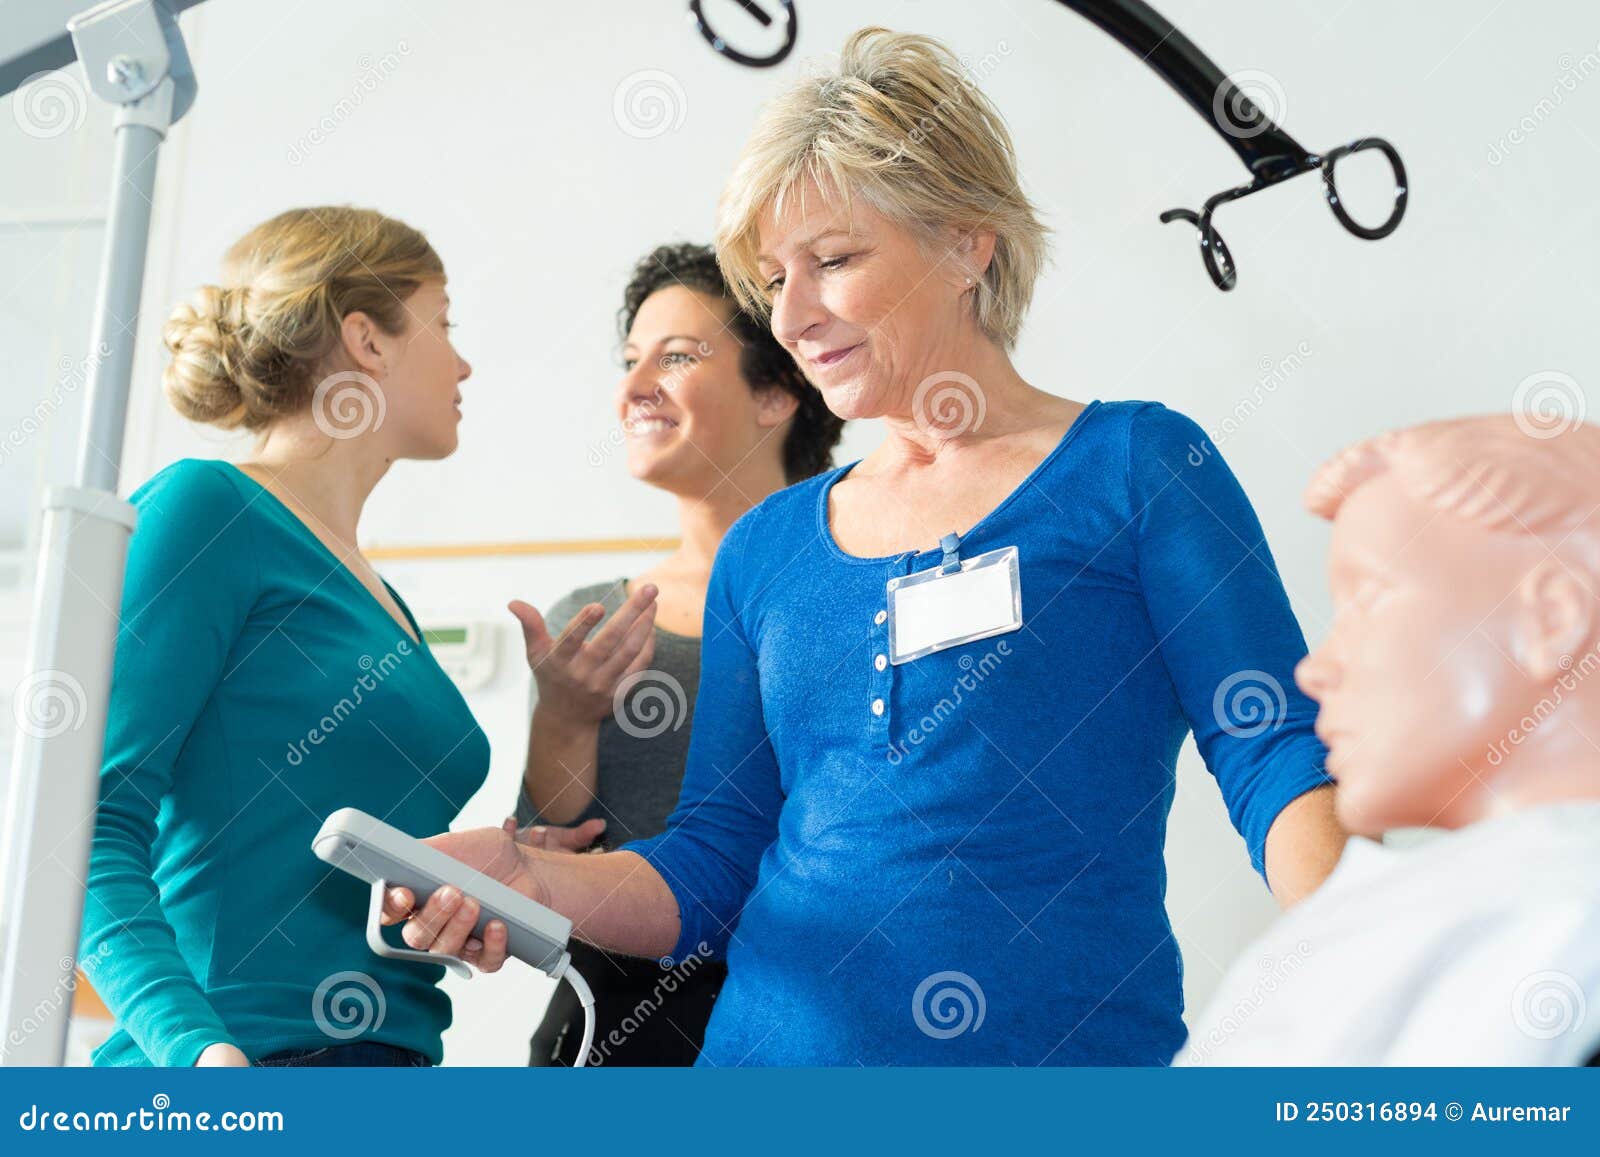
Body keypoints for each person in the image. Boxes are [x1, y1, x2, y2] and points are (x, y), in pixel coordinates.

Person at [386, 27, 1347, 1066]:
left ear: (964, 242)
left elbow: (1270, 749)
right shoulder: (767, 548)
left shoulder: (1136, 465)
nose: (792, 317)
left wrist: (1394, 968)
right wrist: (528, 880)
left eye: (833, 261)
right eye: (772, 278)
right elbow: (709, 866)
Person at [78, 206, 500, 1067]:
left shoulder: (375, 593)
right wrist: (196, 1049)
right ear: (366, 340)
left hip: (386, 1063)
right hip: (236, 1067)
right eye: (443, 323)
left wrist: (443, 910)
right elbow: (83, 821)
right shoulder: (207, 509)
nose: (463, 362)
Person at [507, 242, 842, 1065]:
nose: (633, 389)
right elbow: (552, 858)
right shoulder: (589, 623)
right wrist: (564, 714)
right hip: (613, 1037)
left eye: (678, 356)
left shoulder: (864, 597)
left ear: (777, 389)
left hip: (822, 1027)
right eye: (629, 361)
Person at [1178, 416, 1600, 1065]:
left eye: (1369, 601)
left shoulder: (1561, 927)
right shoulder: (1386, 925)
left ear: (1554, 617)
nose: (1316, 668)